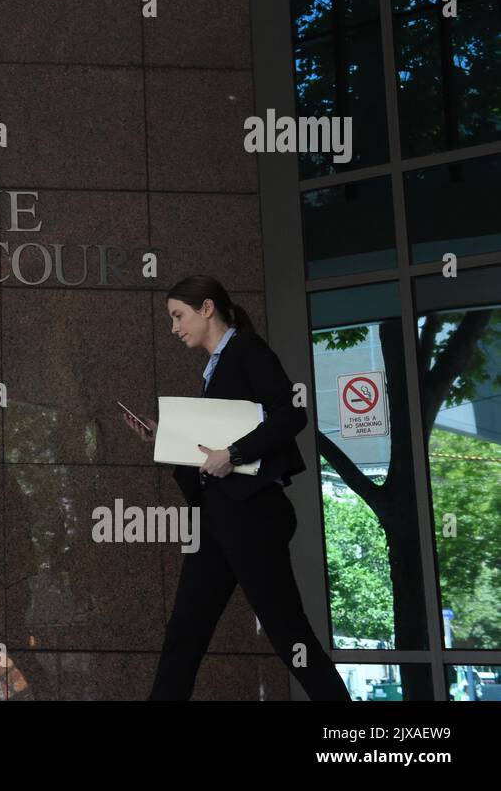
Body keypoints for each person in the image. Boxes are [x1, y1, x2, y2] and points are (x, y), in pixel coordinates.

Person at [122, 274, 351, 701]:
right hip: (220, 520)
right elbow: (210, 453)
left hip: (252, 518)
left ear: (207, 308)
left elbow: (290, 415)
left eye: (178, 315)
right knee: (185, 633)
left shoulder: (245, 349)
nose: (174, 328)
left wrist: (235, 453)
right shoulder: (215, 369)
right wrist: (165, 439)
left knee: (288, 634)